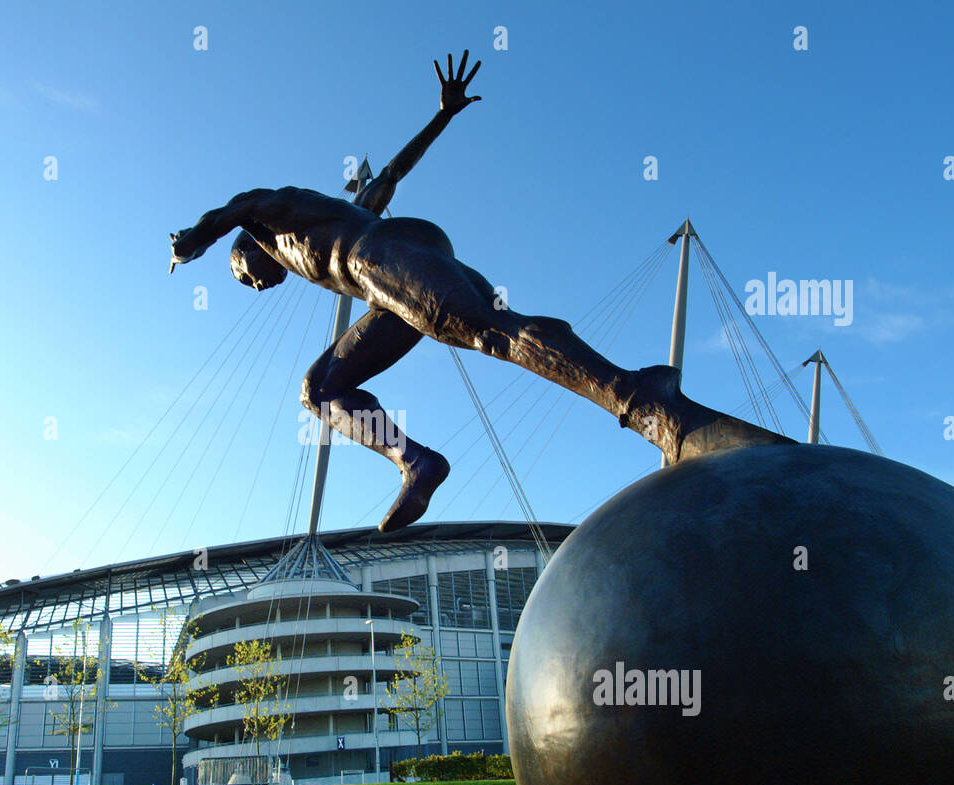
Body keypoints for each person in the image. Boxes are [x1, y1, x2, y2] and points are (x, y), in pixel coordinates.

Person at [170, 56, 792, 532]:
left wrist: (193, 241)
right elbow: (391, 175)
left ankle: (650, 403)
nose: (257, 285)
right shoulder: (327, 221)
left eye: (246, 276)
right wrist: (442, 116)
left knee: (500, 331)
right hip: (384, 289)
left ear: (247, 249)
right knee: (319, 389)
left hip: (383, 260)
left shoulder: (275, 219)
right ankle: (416, 462)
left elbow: (239, 205)